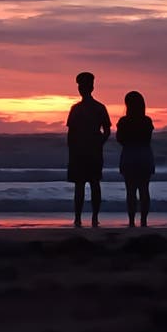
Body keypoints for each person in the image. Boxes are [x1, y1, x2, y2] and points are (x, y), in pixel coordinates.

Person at [66, 72, 111, 227]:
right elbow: (107, 131)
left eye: (82, 86)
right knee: (92, 184)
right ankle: (92, 218)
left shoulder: (78, 109)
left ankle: (81, 218)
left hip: (83, 152)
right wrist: (100, 142)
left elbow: (71, 134)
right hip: (89, 151)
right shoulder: (98, 108)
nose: (81, 89)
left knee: (84, 185)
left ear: (89, 87)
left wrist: (98, 143)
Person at [116, 91, 154, 227]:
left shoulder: (124, 121)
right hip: (144, 157)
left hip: (129, 157)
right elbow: (148, 139)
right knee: (144, 190)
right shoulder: (147, 121)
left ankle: (131, 221)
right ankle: (143, 221)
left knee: (130, 191)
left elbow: (119, 139)